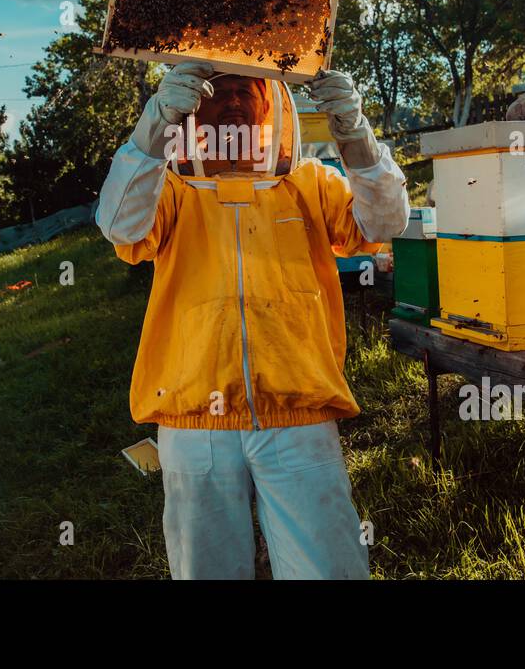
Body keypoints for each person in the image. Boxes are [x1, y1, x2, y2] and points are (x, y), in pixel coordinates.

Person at [96, 61, 410, 579]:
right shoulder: (172, 189)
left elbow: (384, 221)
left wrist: (356, 135)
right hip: (194, 419)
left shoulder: (310, 183)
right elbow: (120, 225)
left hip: (299, 412)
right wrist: (155, 124)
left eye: (249, 90)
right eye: (220, 92)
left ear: (272, 106)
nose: (236, 102)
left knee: (329, 569)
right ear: (194, 108)